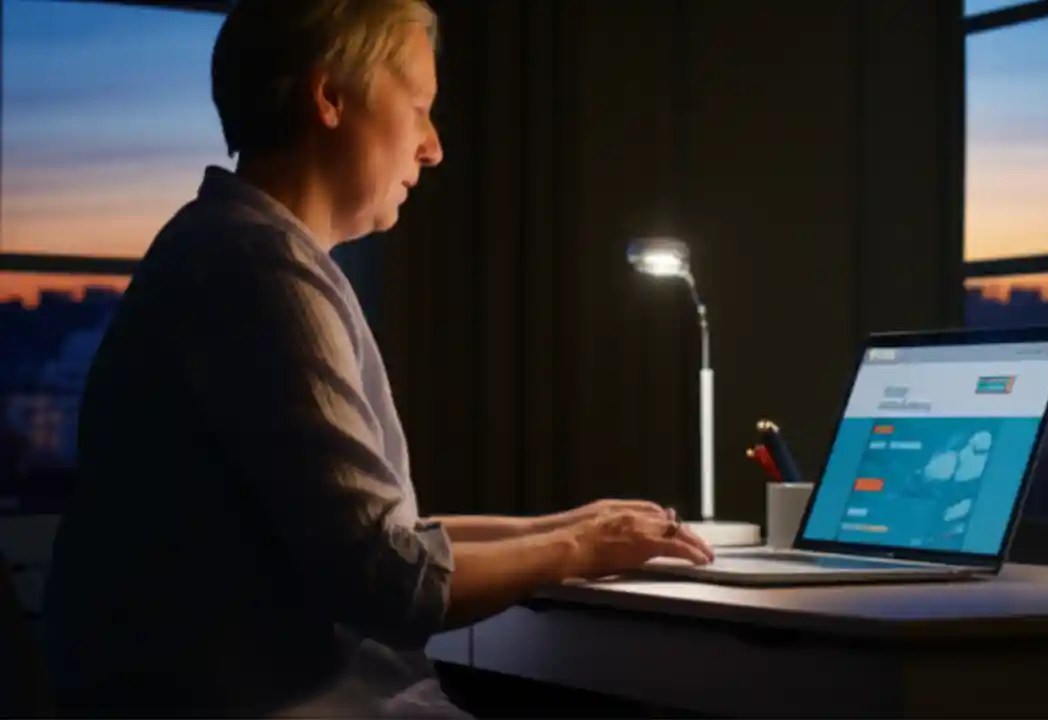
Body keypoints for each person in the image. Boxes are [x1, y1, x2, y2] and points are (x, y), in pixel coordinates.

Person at [40, 1, 714, 716]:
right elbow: (387, 580)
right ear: (329, 96)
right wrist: (576, 549)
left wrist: (570, 527)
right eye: (419, 106)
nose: (433, 147)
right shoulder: (260, 268)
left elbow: (377, 541)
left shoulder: (231, 247)